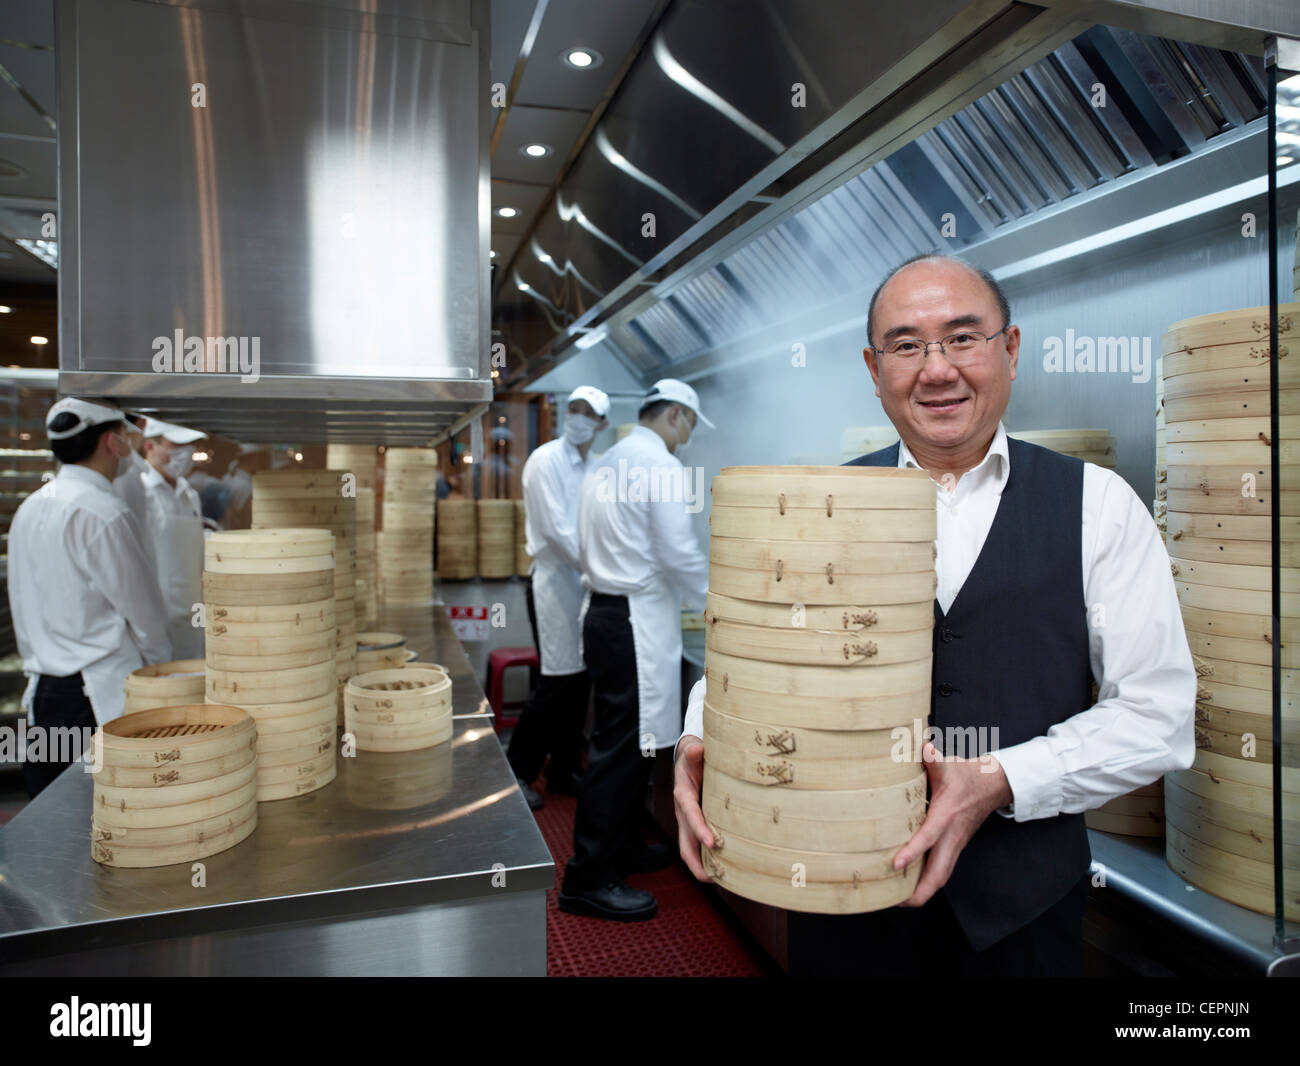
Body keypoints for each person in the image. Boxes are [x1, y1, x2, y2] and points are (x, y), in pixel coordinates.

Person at [674, 254, 1197, 976]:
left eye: (963, 337)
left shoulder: (1097, 505)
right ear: (873, 367)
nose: (938, 369)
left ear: (1010, 349)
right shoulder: (818, 501)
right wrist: (699, 738)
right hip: (842, 899)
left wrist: (999, 779)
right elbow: (758, 656)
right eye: (907, 345)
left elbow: (1157, 714)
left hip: (1025, 919)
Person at [559, 379, 712, 922]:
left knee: (626, 741)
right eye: (690, 425)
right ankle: (588, 878)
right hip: (631, 619)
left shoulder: (607, 461)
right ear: (674, 415)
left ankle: (619, 847)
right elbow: (677, 551)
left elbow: (584, 542)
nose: (687, 437)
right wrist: (718, 602)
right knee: (621, 747)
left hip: (603, 611)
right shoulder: (660, 467)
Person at [8, 398, 173, 797]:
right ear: (111, 442)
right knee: (102, 817)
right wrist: (163, 675)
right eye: (125, 435)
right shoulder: (104, 512)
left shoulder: (28, 509)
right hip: (95, 700)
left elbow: (21, 608)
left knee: (51, 818)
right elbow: (143, 612)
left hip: (45, 698)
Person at [507, 386, 610, 811]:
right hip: (555, 581)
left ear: (602, 424)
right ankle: (518, 771)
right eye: (574, 409)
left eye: (589, 413)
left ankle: (565, 771)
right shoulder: (545, 461)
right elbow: (555, 530)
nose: (579, 417)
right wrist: (597, 571)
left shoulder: (597, 466)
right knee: (557, 680)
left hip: (585, 580)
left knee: (580, 680)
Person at [139, 417, 208, 658]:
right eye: (176, 447)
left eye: (189, 447)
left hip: (192, 619)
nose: (185, 454)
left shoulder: (189, 494)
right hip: (157, 622)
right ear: (149, 446)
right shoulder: (140, 491)